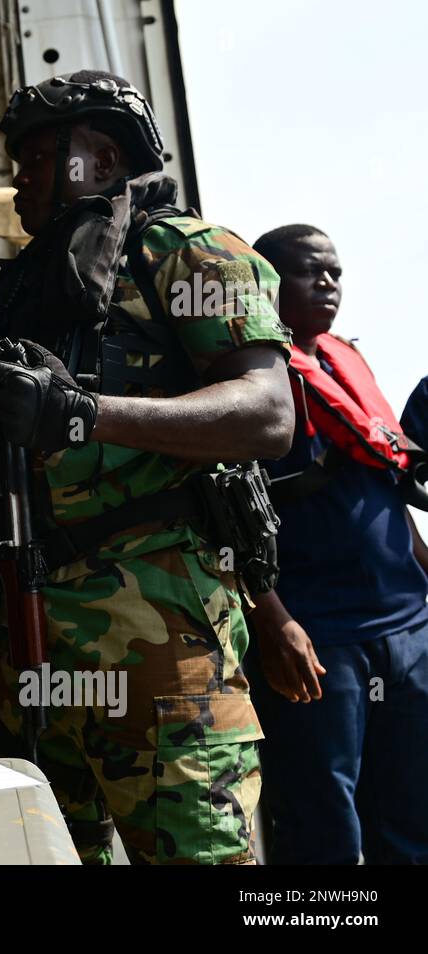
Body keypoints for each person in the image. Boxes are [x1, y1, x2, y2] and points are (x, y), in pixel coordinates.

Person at [0, 71, 294, 864]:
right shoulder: (10, 296)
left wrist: (82, 410)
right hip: (33, 639)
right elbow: (26, 465)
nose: (18, 178)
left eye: (38, 157)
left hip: (160, 631)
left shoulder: (185, 254)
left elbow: (269, 413)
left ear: (104, 159)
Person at [247, 225, 428, 863]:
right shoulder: (249, 381)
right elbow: (221, 518)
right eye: (307, 271)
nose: (327, 283)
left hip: (407, 625)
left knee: (411, 815)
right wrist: (275, 625)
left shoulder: (347, 364)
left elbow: (387, 488)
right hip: (321, 637)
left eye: (335, 272)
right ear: (265, 283)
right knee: (324, 825)